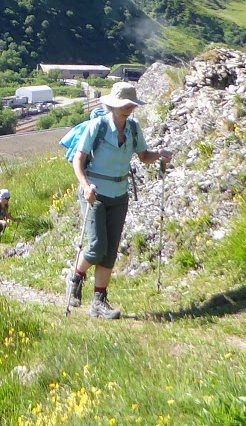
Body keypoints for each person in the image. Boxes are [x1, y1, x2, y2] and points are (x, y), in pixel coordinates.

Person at [67, 81, 169, 319]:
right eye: (123, 104)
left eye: (131, 105)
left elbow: (144, 156)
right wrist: (85, 187)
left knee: (110, 251)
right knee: (96, 247)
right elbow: (78, 160)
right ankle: (75, 278)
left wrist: (160, 154)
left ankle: (98, 304)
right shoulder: (98, 126)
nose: (128, 109)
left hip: (119, 195)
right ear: (111, 105)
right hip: (94, 193)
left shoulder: (133, 128)